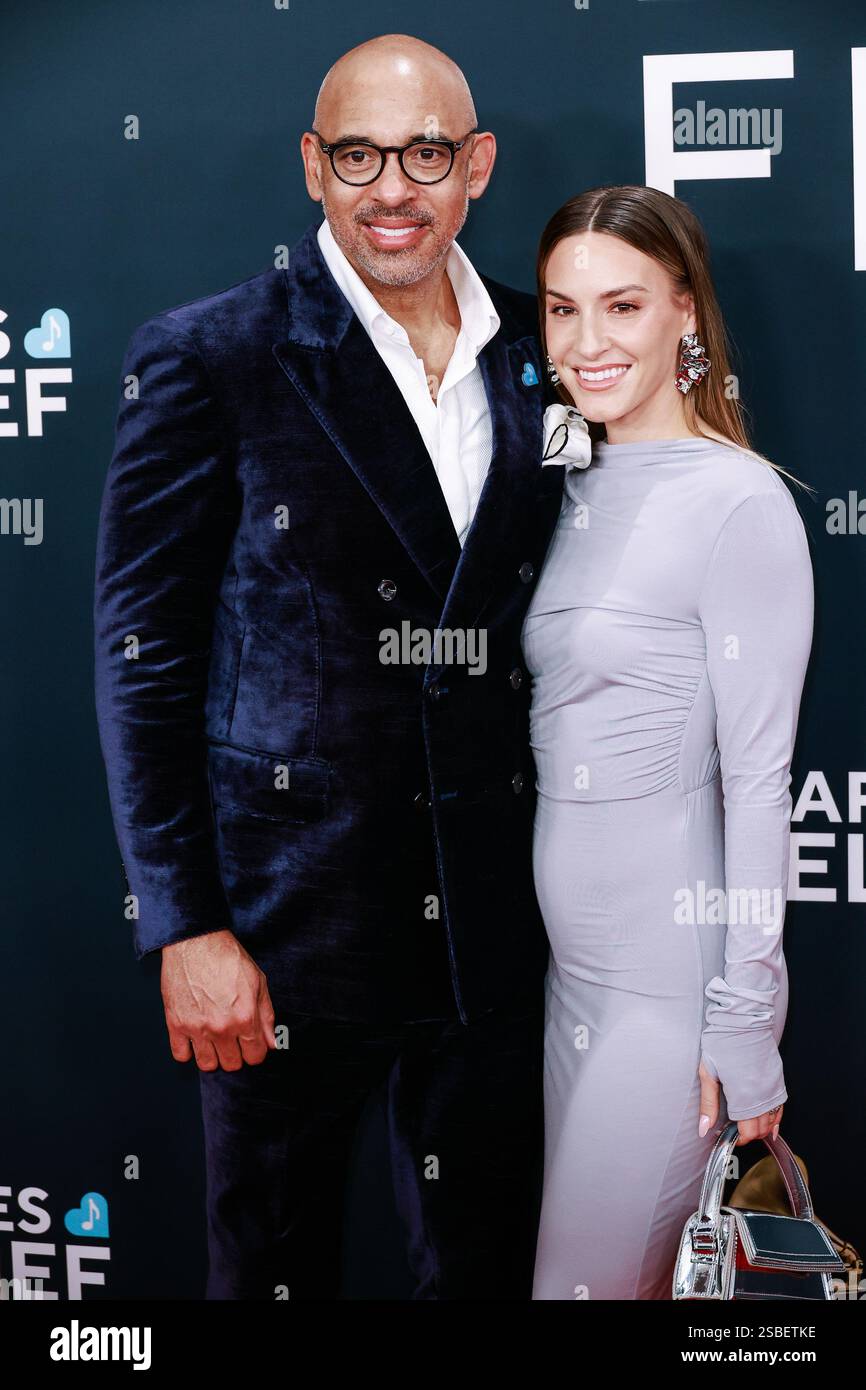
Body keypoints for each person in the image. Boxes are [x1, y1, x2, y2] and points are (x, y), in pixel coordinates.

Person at [93, 33, 564, 1300]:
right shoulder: (211, 355)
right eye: (357, 155)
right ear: (313, 167)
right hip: (284, 932)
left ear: (475, 167)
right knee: (270, 1272)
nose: (390, 189)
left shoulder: (546, 356)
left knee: (482, 1271)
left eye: (423, 154)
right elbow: (142, 660)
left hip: (497, 927)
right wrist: (182, 923)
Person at [522, 185, 814, 1300]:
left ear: (683, 313)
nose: (586, 344)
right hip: (570, 990)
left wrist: (745, 1022)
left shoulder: (737, 503)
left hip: (667, 998)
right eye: (560, 311)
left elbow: (756, 784)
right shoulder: (564, 482)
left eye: (621, 307)